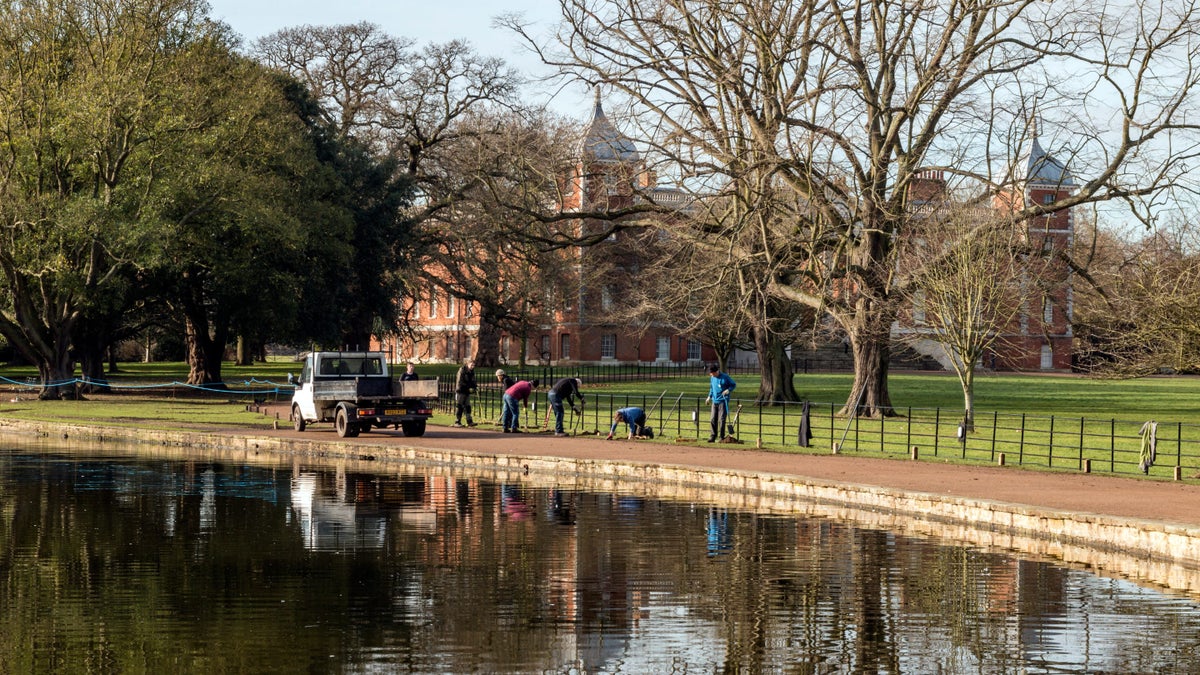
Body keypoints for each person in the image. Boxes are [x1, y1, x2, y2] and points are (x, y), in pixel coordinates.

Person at [705, 364, 736, 442]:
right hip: (714, 401)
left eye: (712, 373)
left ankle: (721, 437)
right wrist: (709, 397)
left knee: (721, 419)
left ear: (716, 371)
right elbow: (712, 388)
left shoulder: (725, 377)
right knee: (712, 419)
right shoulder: (712, 378)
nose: (711, 375)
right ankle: (713, 436)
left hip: (723, 401)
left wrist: (728, 390)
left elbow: (733, 384)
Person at [452, 360, 477, 427]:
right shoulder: (462, 370)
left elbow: (473, 380)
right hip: (461, 391)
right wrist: (468, 386)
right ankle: (457, 422)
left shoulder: (471, 371)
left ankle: (469, 421)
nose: (472, 367)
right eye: (471, 365)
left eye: (473, 365)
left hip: (467, 391)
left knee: (468, 406)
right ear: (467, 364)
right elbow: (460, 382)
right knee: (460, 406)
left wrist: (474, 386)